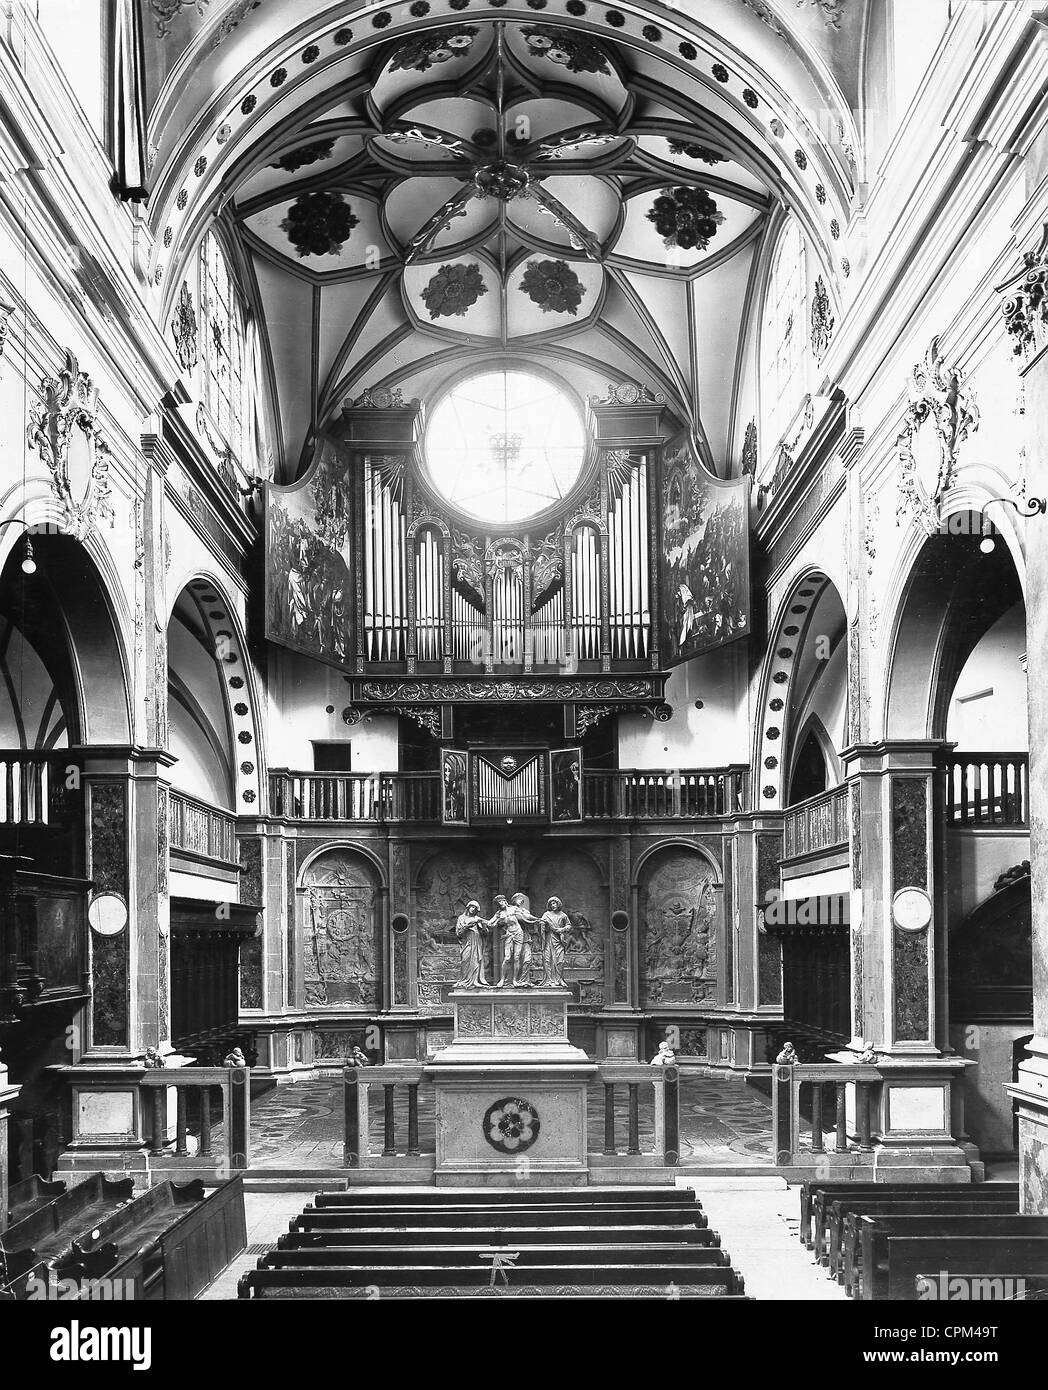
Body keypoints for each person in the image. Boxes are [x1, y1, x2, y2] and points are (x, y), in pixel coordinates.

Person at [489, 892, 540, 987]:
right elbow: (490, 923)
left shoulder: (513, 908)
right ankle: (502, 980)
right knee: (507, 957)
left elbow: (525, 917)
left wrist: (536, 919)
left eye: (502, 901)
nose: (501, 903)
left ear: (505, 901)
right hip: (509, 934)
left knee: (516, 957)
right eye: (499, 902)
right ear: (497, 904)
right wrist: (489, 923)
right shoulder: (499, 914)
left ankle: (515, 980)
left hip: (519, 933)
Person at [454, 900, 490, 988]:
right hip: (467, 942)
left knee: (476, 960)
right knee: (465, 960)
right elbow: (459, 933)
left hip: (477, 942)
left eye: (475, 908)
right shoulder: (461, 918)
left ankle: (475, 981)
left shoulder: (478, 919)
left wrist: (484, 928)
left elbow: (485, 934)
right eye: (472, 907)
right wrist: (467, 926)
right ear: (468, 907)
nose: (473, 909)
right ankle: (464, 981)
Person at [539, 896, 573, 987]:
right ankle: (549, 980)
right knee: (548, 960)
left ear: (558, 904)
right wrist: (543, 925)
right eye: (551, 904)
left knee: (560, 961)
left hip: (559, 940)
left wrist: (561, 930)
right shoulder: (546, 914)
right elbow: (542, 926)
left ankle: (559, 979)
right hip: (549, 940)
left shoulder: (563, 915)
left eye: (554, 903)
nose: (553, 905)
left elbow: (569, 926)